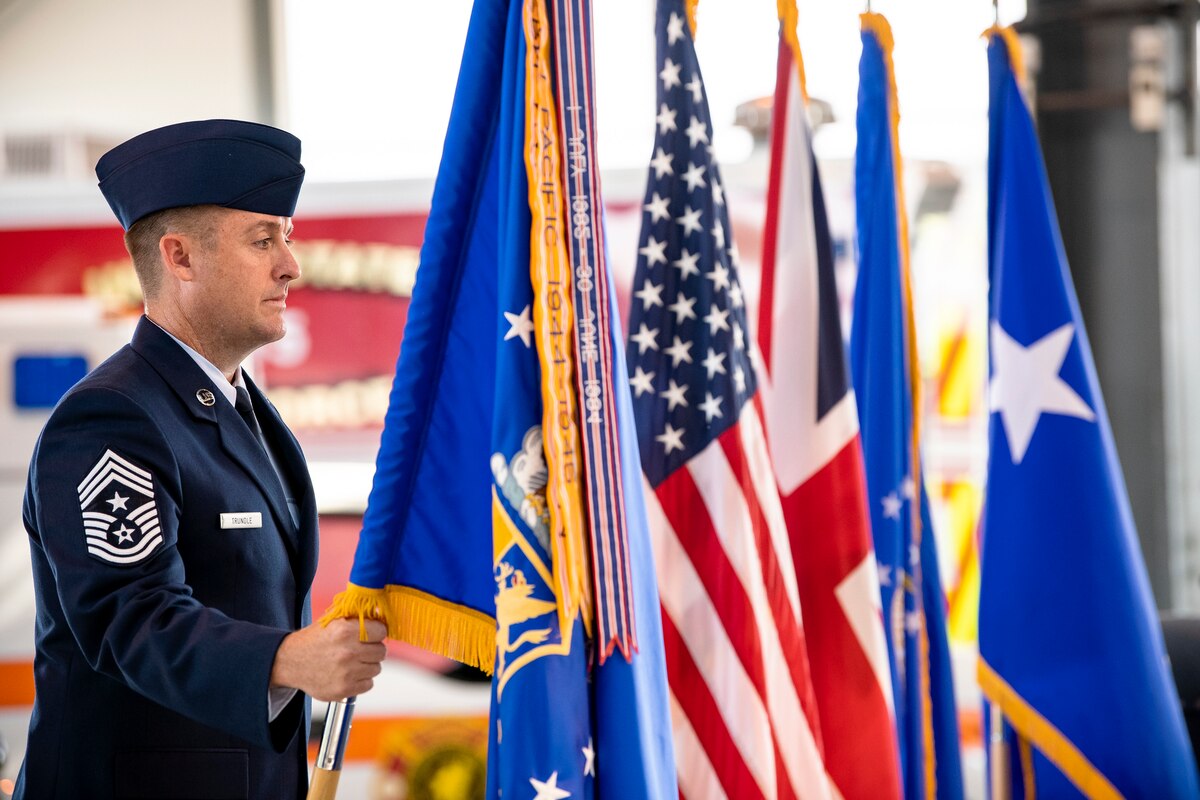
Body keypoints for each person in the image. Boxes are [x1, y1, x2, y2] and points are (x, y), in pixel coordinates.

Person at [14, 119, 387, 799]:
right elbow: (130, 616)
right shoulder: (112, 419)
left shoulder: (250, 416)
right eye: (262, 240)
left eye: (289, 239)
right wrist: (284, 659)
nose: (291, 265)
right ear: (180, 258)